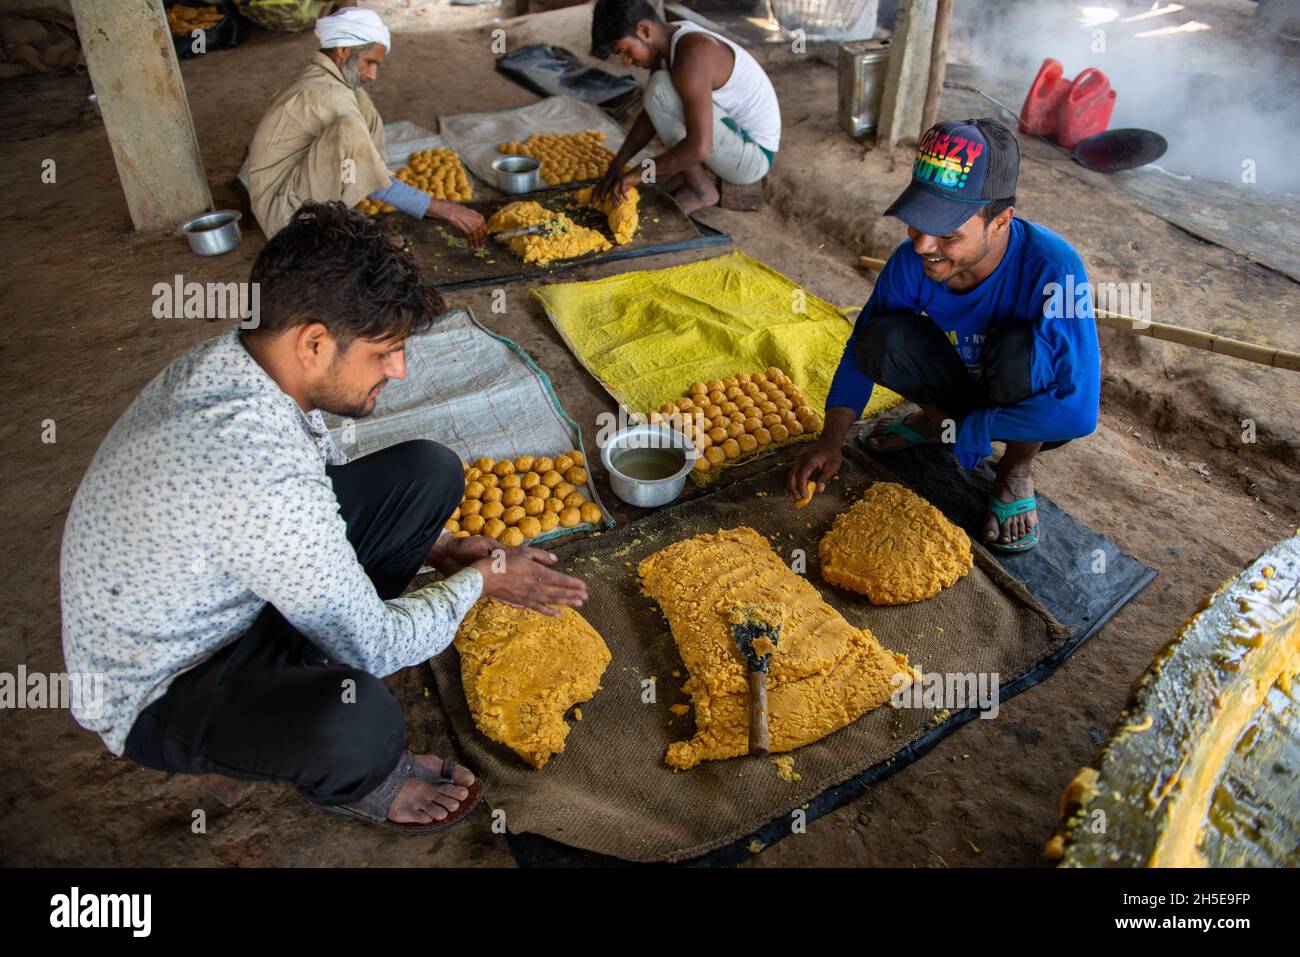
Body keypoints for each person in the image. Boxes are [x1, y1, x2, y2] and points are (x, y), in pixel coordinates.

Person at [60, 202, 585, 833]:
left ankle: (305, 662)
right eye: (385, 352)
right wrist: (481, 581)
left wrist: (441, 549)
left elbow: (325, 476)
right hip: (166, 683)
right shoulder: (250, 467)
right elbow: (378, 646)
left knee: (427, 472)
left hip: (231, 588)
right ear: (312, 342)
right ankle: (357, 780)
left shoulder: (241, 363)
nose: (399, 370)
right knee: (361, 716)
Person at [789, 118, 1100, 552]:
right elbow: (862, 354)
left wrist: (981, 428)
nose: (922, 246)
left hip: (1025, 404)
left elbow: (1077, 414)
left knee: (1018, 352)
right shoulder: (910, 262)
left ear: (1000, 221)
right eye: (917, 223)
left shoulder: (1054, 269)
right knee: (882, 337)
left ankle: (1015, 471)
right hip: (961, 384)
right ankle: (941, 421)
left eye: (948, 233)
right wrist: (831, 439)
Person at [244, 7, 485, 245]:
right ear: (343, 50)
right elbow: (355, 154)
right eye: (369, 62)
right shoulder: (325, 94)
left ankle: (362, 193)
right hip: (285, 217)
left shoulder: (326, 80)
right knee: (349, 130)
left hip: (295, 187)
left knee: (362, 103)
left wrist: (375, 176)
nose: (372, 75)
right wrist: (446, 210)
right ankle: (333, 229)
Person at [590, 0, 781, 213]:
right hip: (735, 140)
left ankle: (702, 191)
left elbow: (700, 147)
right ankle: (691, 175)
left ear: (643, 30)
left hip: (752, 158)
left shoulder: (694, 55)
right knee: (659, 91)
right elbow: (651, 114)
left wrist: (640, 172)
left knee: (660, 89)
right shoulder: (671, 41)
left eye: (625, 51)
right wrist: (618, 163)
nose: (626, 61)